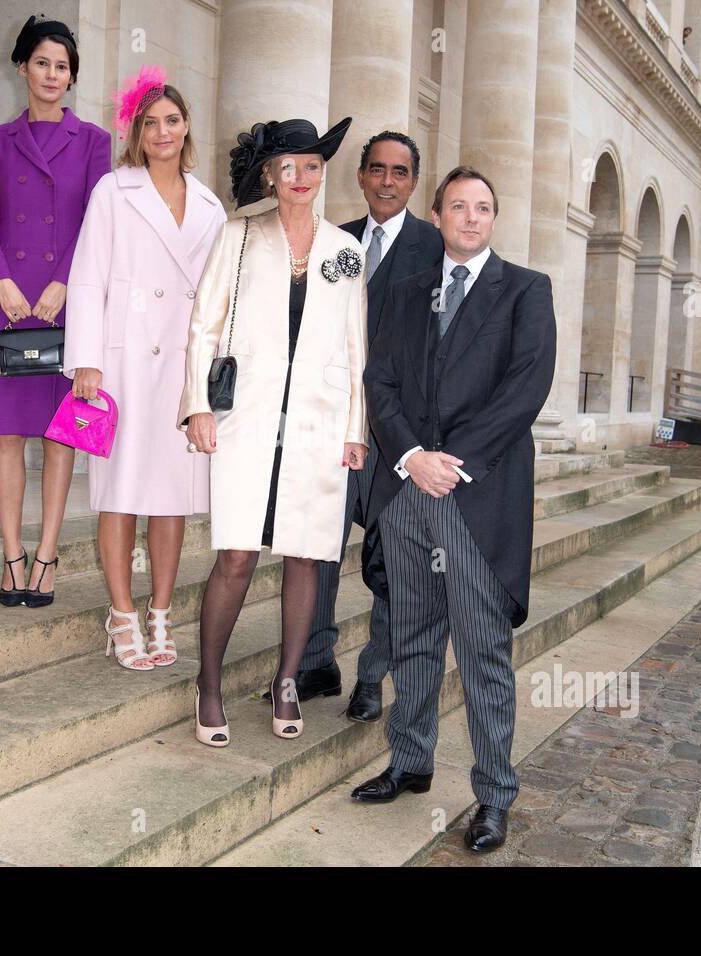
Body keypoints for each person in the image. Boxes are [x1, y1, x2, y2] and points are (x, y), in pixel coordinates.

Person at [351, 165, 556, 854]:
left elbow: (524, 390)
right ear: (436, 214)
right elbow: (378, 382)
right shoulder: (405, 293)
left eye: (484, 208)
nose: (472, 218)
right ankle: (409, 760)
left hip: (478, 497)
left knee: (481, 653)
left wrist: (451, 462)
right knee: (408, 635)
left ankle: (494, 794)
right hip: (407, 495)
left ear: (494, 218)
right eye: (459, 206)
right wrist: (411, 457)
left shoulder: (527, 291)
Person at [179, 116, 368, 746]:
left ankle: (288, 681)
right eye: (289, 166)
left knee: (306, 553)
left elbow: (354, 347)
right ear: (270, 173)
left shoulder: (346, 249)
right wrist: (198, 406)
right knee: (235, 554)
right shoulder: (237, 236)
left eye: (313, 166)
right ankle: (208, 683)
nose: (302, 178)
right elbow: (204, 326)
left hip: (315, 421)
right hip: (246, 417)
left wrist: (354, 427)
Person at [64, 67, 225, 670]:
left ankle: (160, 611)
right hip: (124, 362)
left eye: (173, 121)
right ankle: (122, 612)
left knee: (171, 498)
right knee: (121, 492)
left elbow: (215, 298)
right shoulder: (114, 190)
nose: (162, 132)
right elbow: (87, 277)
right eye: (150, 122)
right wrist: (85, 360)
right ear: (136, 130)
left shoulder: (210, 205)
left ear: (187, 128)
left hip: (183, 370)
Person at [0, 15, 111, 608]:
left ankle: (46, 555)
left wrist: (63, 282)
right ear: (22, 66)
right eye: (43, 62)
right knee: (7, 436)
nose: (53, 74)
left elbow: (95, 221)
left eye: (63, 66)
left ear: (72, 78)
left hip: (64, 301)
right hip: (7, 304)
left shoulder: (94, 142)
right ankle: (11, 554)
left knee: (57, 435)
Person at [294, 130, 443, 722]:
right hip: (334, 424)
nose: (386, 181)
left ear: (413, 181)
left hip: (399, 433)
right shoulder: (337, 242)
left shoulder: (434, 247)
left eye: (399, 172)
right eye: (376, 169)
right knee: (319, 544)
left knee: (393, 563)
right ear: (359, 175)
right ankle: (314, 662)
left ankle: (372, 676)